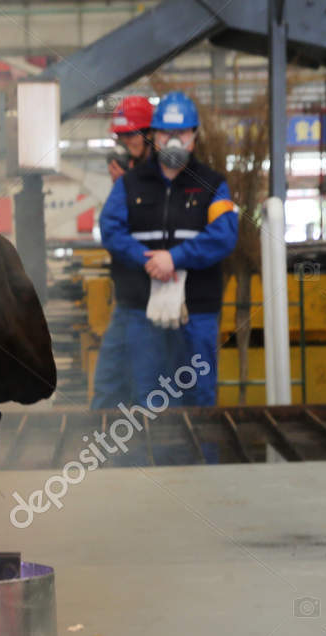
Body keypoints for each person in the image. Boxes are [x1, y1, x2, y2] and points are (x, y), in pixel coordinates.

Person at [98, 90, 238, 409]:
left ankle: (200, 445)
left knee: (199, 396)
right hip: (142, 310)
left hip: (197, 311)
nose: (173, 140)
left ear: (194, 137)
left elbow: (224, 235)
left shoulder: (214, 185)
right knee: (147, 398)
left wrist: (174, 258)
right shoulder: (129, 184)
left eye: (181, 133)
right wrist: (147, 260)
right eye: (165, 133)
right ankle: (152, 445)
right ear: (154, 136)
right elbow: (111, 229)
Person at [90, 96, 154, 410]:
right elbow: (112, 229)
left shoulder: (163, 179)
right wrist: (122, 186)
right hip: (127, 301)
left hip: (154, 304)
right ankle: (99, 440)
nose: (125, 143)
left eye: (131, 135)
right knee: (107, 386)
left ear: (150, 134)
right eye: (120, 137)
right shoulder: (127, 182)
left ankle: (147, 442)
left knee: (145, 391)